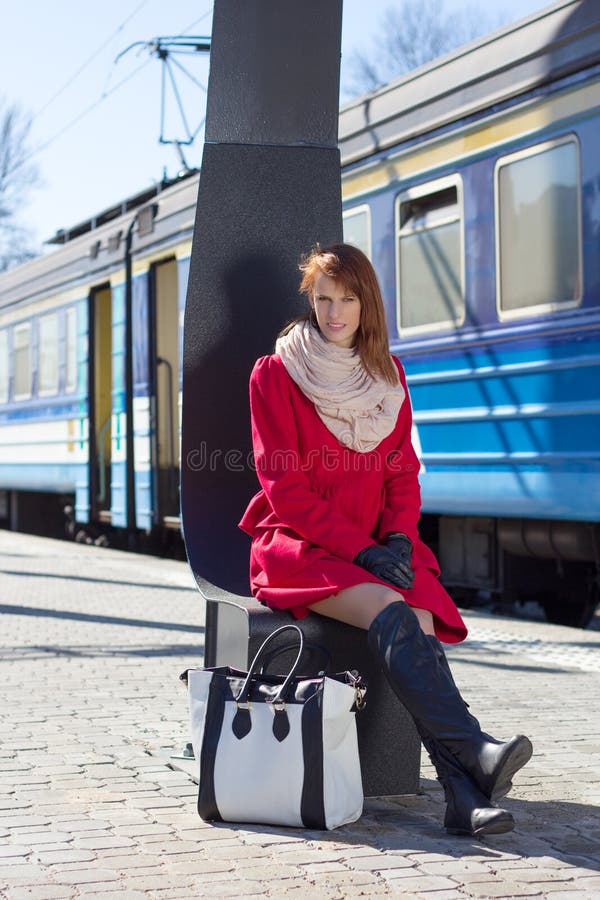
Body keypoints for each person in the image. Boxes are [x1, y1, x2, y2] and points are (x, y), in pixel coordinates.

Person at [239, 243, 532, 837]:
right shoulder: (275, 374)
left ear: (366, 302)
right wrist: (364, 551)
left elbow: (402, 472)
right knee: (394, 609)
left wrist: (397, 536)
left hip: (375, 543)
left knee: (419, 622)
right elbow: (286, 488)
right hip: (302, 546)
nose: (334, 312)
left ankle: (461, 794)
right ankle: (473, 752)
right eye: (323, 299)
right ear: (311, 299)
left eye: (347, 298)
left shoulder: (388, 377)